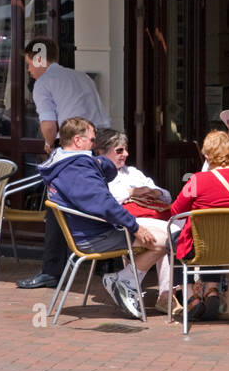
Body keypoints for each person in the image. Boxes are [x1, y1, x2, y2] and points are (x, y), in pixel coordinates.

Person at [39, 118, 160, 319]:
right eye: (92, 141)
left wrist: (99, 162)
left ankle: (124, 280)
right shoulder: (78, 169)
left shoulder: (63, 163)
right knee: (166, 240)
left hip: (90, 232)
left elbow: (107, 175)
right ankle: (123, 281)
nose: (94, 146)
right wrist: (134, 226)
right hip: (96, 237)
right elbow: (104, 204)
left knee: (167, 231)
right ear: (78, 141)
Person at [18, 36, 111, 290]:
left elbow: (49, 125)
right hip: (101, 144)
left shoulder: (44, 83)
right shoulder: (82, 76)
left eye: (29, 63)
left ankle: (51, 270)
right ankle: (108, 263)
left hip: (72, 147)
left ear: (38, 59)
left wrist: (49, 145)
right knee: (98, 201)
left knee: (56, 205)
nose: (28, 70)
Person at [170, 131, 229, 320]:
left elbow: (176, 210)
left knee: (175, 241)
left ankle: (191, 296)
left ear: (207, 156)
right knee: (214, 239)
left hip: (202, 247)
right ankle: (211, 289)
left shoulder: (197, 180)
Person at [96, 129, 177, 313]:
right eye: (119, 150)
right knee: (171, 234)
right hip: (118, 226)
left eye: (125, 149)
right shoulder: (96, 175)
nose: (125, 154)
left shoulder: (132, 172)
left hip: (147, 219)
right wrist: (131, 193)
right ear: (102, 152)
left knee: (174, 231)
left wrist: (156, 192)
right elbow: (103, 203)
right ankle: (159, 292)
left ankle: (146, 288)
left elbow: (167, 196)